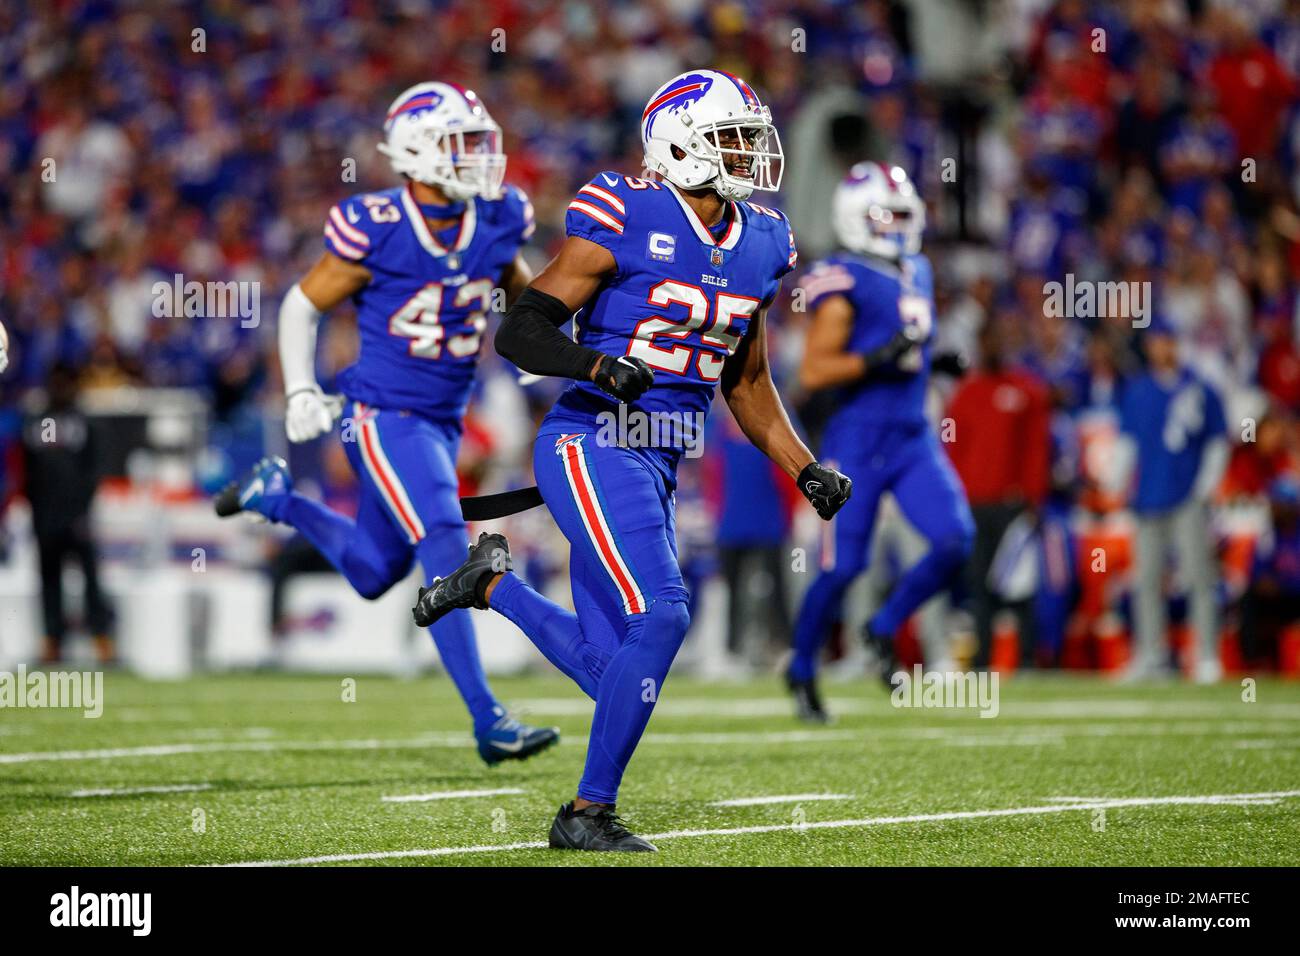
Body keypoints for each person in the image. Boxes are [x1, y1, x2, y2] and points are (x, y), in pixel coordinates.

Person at [414, 70, 851, 851]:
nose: (749, 154)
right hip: (593, 440)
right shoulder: (626, 209)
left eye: (751, 138)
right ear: (679, 142)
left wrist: (803, 465)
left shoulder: (762, 241)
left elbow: (745, 380)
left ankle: (490, 586)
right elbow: (522, 328)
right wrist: (595, 366)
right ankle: (585, 815)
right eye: (732, 138)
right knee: (666, 614)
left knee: (615, 666)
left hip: (660, 459)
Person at [215, 82, 558, 764]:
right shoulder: (377, 223)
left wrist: (541, 354)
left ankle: (277, 499)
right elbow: (300, 305)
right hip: (384, 414)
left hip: (444, 420)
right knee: (442, 534)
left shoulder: (494, 220)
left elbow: (523, 295)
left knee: (374, 572)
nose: (478, 158)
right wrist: (302, 390)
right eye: (461, 144)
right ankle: (488, 717)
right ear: (416, 152)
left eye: (478, 143)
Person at [786, 163, 974, 720]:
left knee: (955, 539)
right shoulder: (842, 276)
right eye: (887, 215)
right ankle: (800, 670)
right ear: (855, 219)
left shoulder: (915, 266)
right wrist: (877, 359)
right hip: (859, 438)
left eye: (903, 215)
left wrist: (929, 359)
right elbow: (815, 372)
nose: (898, 226)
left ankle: (883, 626)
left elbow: (904, 343)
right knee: (843, 568)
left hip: (913, 434)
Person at [1112, 315, 1229, 682]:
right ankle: (1151, 654)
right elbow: (1128, 443)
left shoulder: (1199, 389)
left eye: (1168, 341)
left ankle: (1206, 655)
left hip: (1186, 496)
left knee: (1198, 577)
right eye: (1157, 341)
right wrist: (1116, 482)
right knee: (1145, 581)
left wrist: (1206, 485)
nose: (1162, 348)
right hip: (1147, 497)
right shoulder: (1138, 390)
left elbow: (1217, 440)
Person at [21, 363, 114, 664]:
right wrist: (34, 510)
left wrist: (82, 509)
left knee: (90, 579)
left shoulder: (84, 422)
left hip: (77, 515)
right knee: (49, 580)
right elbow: (28, 471)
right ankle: (52, 642)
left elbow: (94, 471)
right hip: (46, 516)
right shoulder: (34, 421)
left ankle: (102, 640)